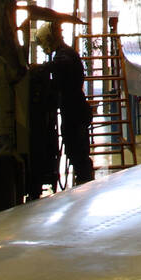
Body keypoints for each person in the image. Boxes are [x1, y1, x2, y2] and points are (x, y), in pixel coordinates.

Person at [34, 23, 94, 185]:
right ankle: (84, 182)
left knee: (78, 152)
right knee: (76, 151)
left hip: (74, 112)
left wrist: (43, 68)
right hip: (74, 110)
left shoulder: (64, 54)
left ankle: (85, 183)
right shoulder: (64, 53)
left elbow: (63, 65)